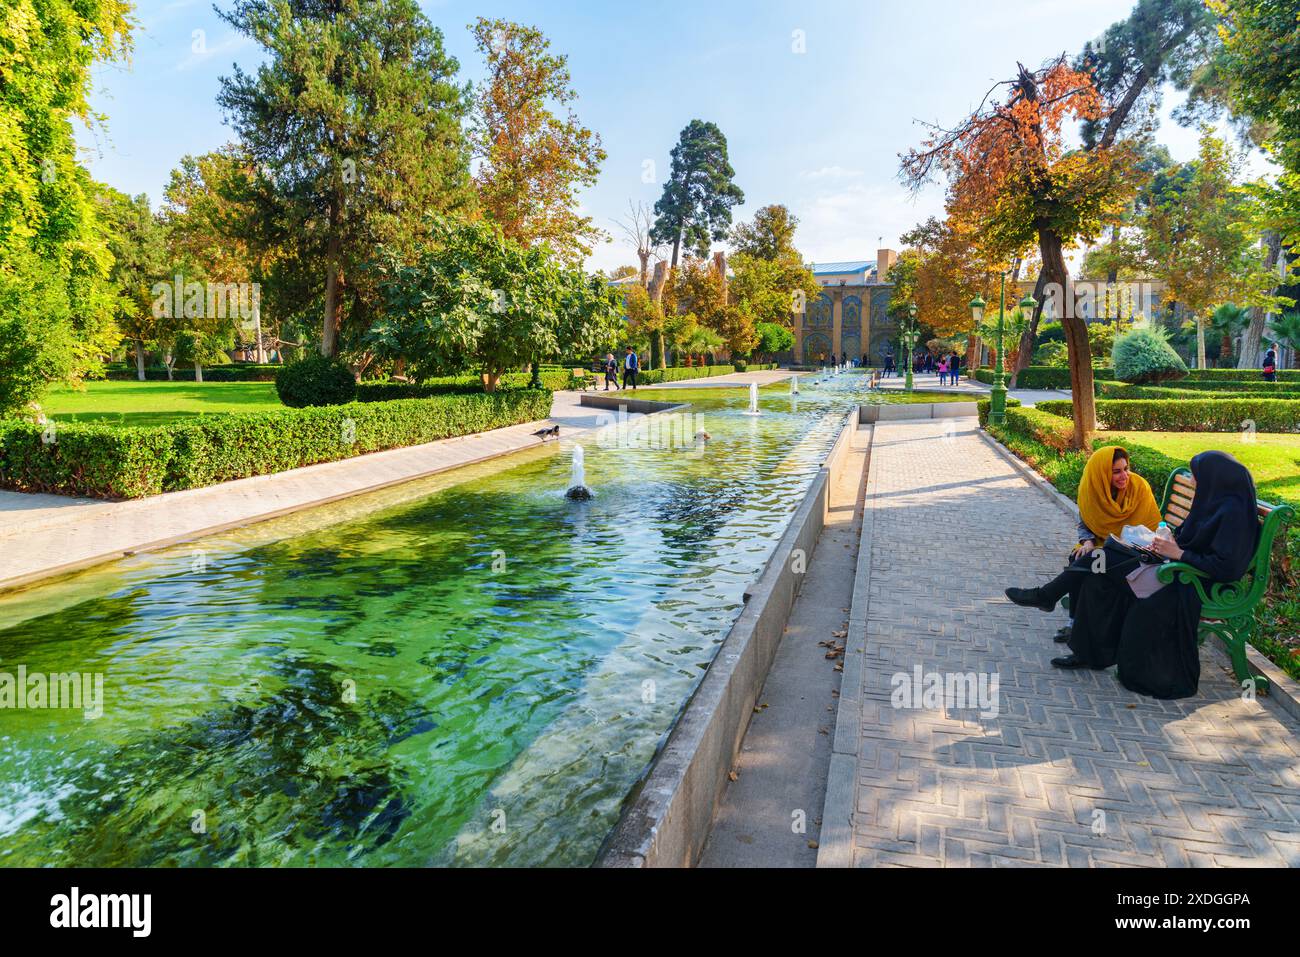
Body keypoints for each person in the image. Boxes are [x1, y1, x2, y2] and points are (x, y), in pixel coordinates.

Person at [1051, 451, 1259, 700]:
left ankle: (1047, 595)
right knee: (1099, 572)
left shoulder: (1233, 514)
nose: (1192, 481)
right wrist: (1169, 543)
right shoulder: (1214, 501)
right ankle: (1087, 653)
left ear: (1214, 478)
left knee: (1105, 566)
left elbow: (1226, 568)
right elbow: (1191, 540)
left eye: (1195, 476)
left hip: (1194, 583)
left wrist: (1178, 554)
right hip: (1177, 569)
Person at [1005, 446, 1162, 642]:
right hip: (1104, 546)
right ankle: (1072, 621)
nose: (1124, 476)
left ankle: (1048, 598)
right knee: (1079, 557)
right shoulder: (1093, 489)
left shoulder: (1139, 487)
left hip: (1135, 554)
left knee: (1089, 562)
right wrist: (1087, 541)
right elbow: (1085, 521)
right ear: (1102, 474)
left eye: (1126, 469)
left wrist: (1109, 546)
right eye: (1116, 472)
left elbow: (1151, 529)